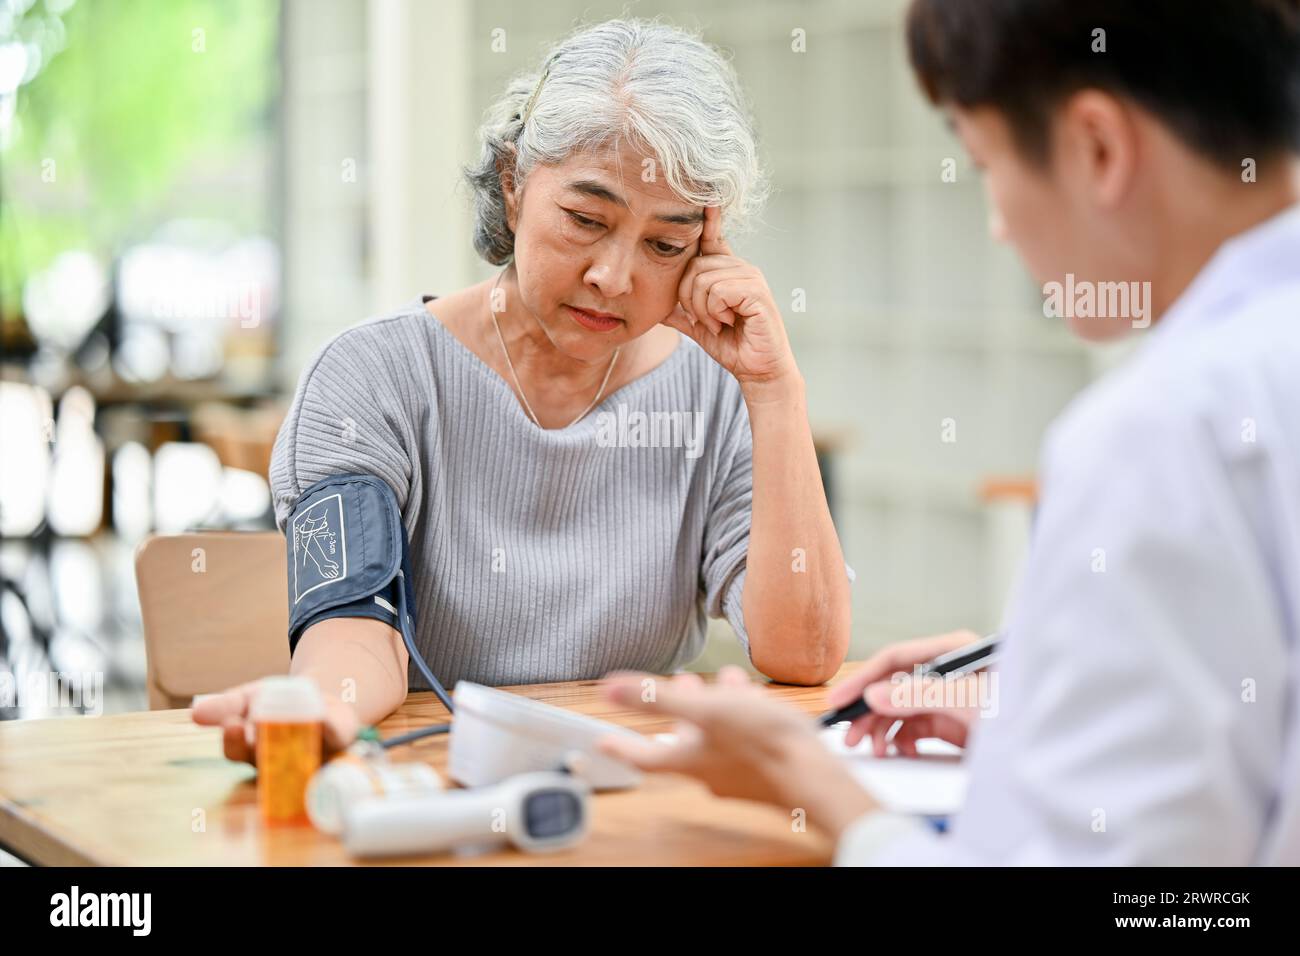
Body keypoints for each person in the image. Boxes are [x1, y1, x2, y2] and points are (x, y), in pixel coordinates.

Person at [599, 0, 1300, 865]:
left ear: (1098, 149)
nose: (1000, 225)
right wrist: (1047, 702)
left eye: (982, 164)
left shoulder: (1162, 432)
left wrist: (815, 785)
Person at [194, 19, 853, 764]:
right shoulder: (373, 378)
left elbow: (804, 653)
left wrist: (774, 389)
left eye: (664, 245)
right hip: (434, 792)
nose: (614, 276)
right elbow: (355, 629)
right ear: (512, 185)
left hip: (632, 798)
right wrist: (320, 707)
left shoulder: (715, 393)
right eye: (585, 219)